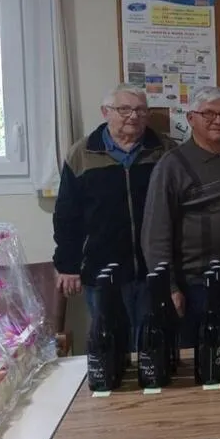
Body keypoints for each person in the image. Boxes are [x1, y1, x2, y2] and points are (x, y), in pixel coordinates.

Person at [52, 84, 174, 349]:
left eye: (141, 110)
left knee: (152, 343)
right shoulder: (81, 154)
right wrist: (67, 265)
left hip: (151, 270)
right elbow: (66, 215)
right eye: (124, 109)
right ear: (105, 112)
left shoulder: (165, 150)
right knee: (110, 344)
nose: (133, 116)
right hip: (101, 271)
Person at [142, 86, 220, 345]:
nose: (218, 120)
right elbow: (155, 233)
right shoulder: (172, 165)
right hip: (195, 283)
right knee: (202, 358)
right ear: (191, 118)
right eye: (209, 114)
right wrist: (168, 287)